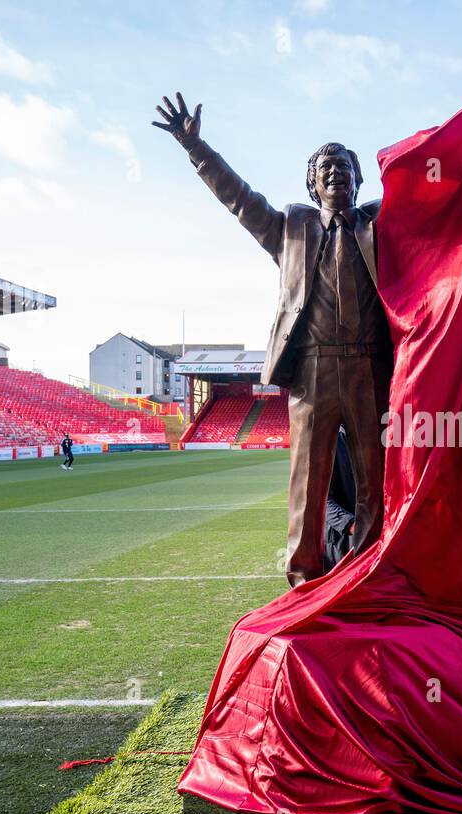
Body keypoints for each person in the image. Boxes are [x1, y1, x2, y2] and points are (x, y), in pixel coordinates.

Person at [154, 93, 393, 588]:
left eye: (345, 166)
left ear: (360, 178)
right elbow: (239, 198)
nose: (335, 174)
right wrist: (196, 148)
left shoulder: (381, 224)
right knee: (308, 481)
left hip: (370, 368)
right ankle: (304, 581)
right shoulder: (291, 227)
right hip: (311, 372)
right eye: (326, 168)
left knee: (377, 481)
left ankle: (368, 577)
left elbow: (436, 208)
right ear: (311, 183)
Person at [323, 428, 356, 573]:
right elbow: (321, 501)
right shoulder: (329, 441)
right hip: (343, 540)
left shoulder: (381, 437)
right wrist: (351, 524)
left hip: (377, 539)